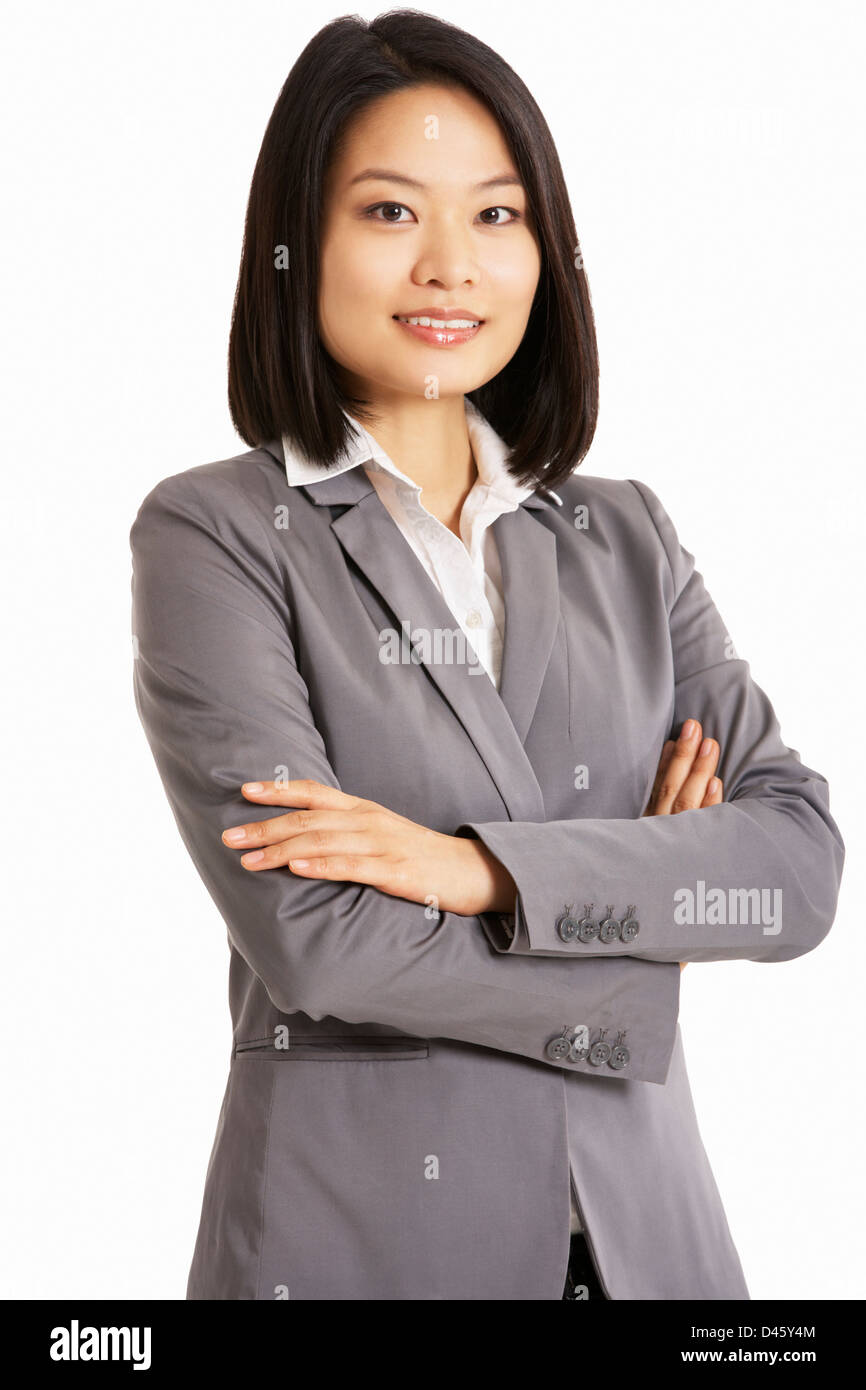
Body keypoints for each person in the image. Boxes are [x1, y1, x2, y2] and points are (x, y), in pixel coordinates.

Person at [129, 10, 844, 1300]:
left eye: (497, 217)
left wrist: (466, 871)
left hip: (650, 1249)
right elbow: (323, 941)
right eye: (392, 213)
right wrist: (645, 923)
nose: (450, 267)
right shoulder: (218, 533)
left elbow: (791, 869)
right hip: (361, 1247)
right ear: (298, 244)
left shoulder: (622, 530)